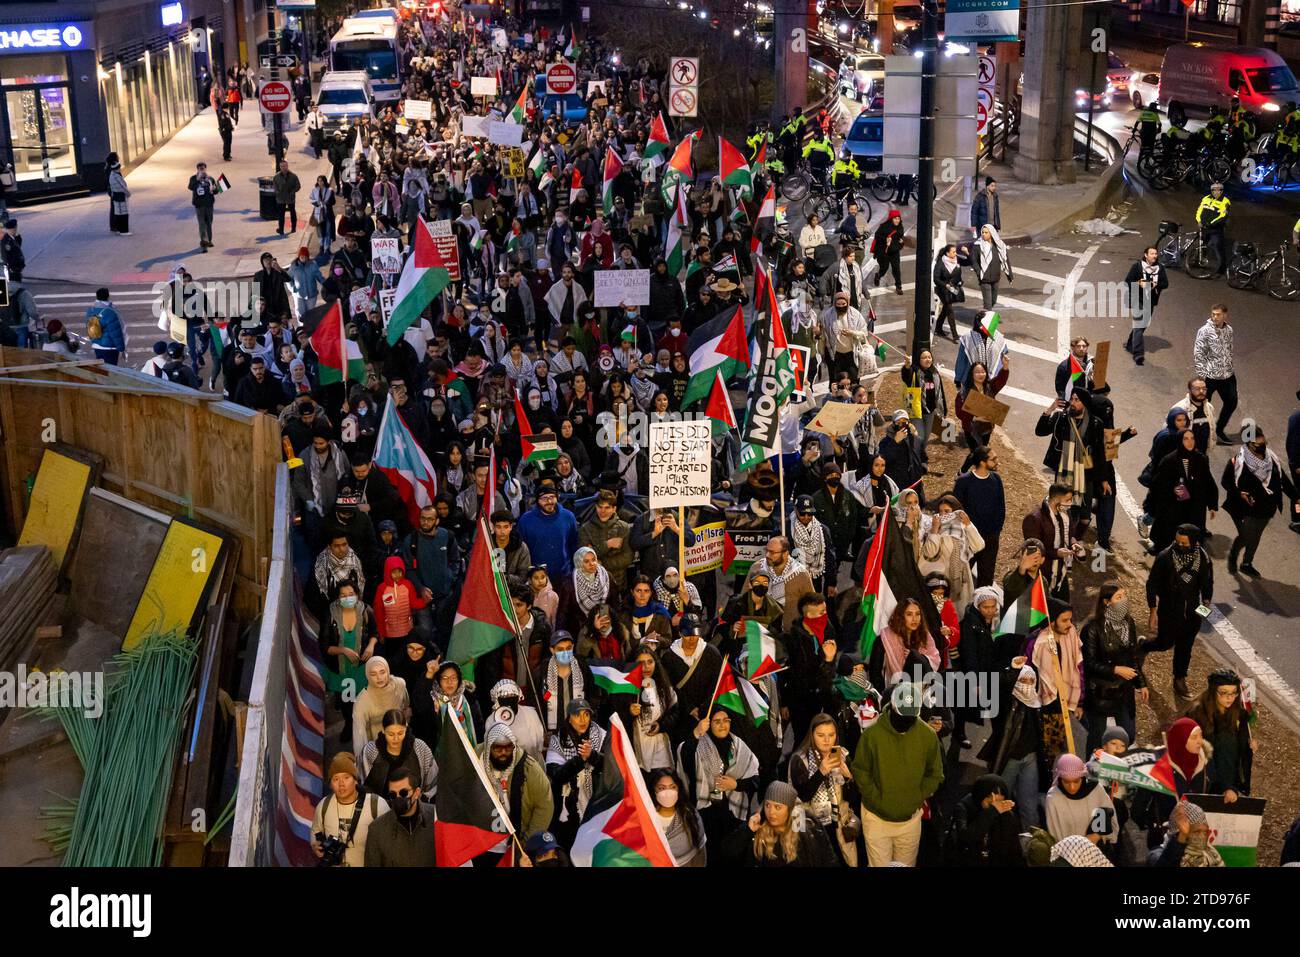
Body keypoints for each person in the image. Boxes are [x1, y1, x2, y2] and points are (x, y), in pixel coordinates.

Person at [851, 681, 944, 867]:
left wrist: (916, 797)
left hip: (910, 821)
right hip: (876, 818)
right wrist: (876, 798)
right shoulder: (872, 735)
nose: (905, 722)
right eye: (902, 716)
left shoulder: (927, 735)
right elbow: (860, 771)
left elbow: (935, 774)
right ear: (892, 707)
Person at [676, 704, 761, 861]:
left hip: (734, 814)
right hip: (708, 814)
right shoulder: (698, 745)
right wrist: (696, 733)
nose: (723, 725)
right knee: (714, 856)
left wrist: (735, 785)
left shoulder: (739, 745)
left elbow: (755, 779)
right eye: (717, 721)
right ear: (708, 724)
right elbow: (686, 759)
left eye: (726, 720)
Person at [1145, 525, 1213, 699]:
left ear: (1194, 542)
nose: (1179, 545)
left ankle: (1179, 679)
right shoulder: (1165, 557)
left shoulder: (1203, 559)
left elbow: (1207, 583)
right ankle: (1143, 646)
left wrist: (1206, 605)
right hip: (1169, 609)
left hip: (1192, 611)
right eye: (1177, 542)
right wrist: (1153, 611)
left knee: (1185, 646)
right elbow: (1151, 584)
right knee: (1165, 643)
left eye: (1184, 543)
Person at [788, 713, 862, 866]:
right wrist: (821, 772)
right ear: (812, 735)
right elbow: (801, 796)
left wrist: (848, 776)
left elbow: (853, 798)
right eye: (821, 735)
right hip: (810, 826)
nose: (827, 740)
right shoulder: (799, 759)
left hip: (838, 826)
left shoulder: (843, 755)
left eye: (831, 735)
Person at [1081, 583, 1147, 751]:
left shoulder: (1128, 623)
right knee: (1098, 739)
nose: (1124, 600)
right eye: (1119, 597)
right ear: (1106, 602)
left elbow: (1133, 656)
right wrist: (1115, 670)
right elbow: (1089, 663)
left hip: (1124, 692)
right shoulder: (1092, 629)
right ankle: (1093, 772)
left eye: (1124, 596)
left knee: (1128, 735)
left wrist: (1141, 683)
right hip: (1100, 694)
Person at [1222, 427, 1295, 577]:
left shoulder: (1271, 458)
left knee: (1255, 537)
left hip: (1267, 509)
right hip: (1247, 509)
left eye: (1263, 443)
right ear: (1248, 445)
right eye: (1258, 445)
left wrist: (1296, 496)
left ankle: (1247, 563)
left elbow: (1283, 481)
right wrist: (1239, 493)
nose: (1262, 448)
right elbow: (1226, 482)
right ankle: (1233, 556)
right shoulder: (1237, 463)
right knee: (1246, 536)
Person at [979, 659, 1043, 829]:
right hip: (1008, 759)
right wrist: (1014, 670)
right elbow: (999, 685)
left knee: (1029, 805)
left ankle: (1031, 845)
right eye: (1023, 680)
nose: (1027, 684)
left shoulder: (1037, 703)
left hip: (1030, 758)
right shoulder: (1006, 703)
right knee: (1001, 803)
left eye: (1031, 680)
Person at [476, 723, 553, 861]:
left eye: (508, 747)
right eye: (497, 748)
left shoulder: (529, 768)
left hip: (514, 846)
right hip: (481, 843)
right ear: (488, 748)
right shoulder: (476, 761)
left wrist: (527, 843)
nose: (503, 753)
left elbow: (545, 805)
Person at [317, 579, 377, 740]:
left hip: (360, 668)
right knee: (346, 701)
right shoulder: (330, 614)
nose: (347, 598)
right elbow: (324, 646)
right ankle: (349, 725)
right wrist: (343, 650)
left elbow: (374, 634)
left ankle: (362, 724)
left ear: (357, 595)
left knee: (362, 698)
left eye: (351, 594)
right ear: (337, 598)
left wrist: (371, 646)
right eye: (343, 595)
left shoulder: (366, 611)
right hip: (341, 669)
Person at [725, 780, 837, 867]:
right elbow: (727, 852)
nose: (771, 812)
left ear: (789, 809)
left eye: (777, 807)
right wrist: (747, 831)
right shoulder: (758, 825)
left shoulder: (803, 825)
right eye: (767, 805)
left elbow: (828, 858)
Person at [545, 698, 606, 849]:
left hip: (596, 804)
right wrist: (580, 760)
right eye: (577, 715)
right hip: (568, 809)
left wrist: (592, 756)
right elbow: (556, 775)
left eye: (586, 714)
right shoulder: (557, 740)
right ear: (569, 717)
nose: (583, 720)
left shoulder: (602, 736)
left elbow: (611, 766)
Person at [1186, 669, 1254, 802]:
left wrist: (1246, 744)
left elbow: (1235, 752)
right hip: (1207, 779)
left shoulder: (1238, 713)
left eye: (1234, 693)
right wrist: (1227, 787)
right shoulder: (1197, 715)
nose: (1230, 698)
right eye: (1224, 693)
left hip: (1229, 778)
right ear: (1213, 692)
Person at [1145, 428, 1217, 552]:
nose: (1190, 442)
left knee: (1191, 540)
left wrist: (1212, 504)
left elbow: (1208, 482)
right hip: (1174, 507)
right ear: (1179, 441)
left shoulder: (1201, 459)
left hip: (1194, 508)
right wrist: (1172, 490)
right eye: (1185, 439)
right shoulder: (1169, 460)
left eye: (1192, 438)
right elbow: (1157, 484)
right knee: (1169, 537)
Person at [311, 752, 387, 868]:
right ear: (330, 784)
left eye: (346, 777)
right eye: (336, 779)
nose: (341, 784)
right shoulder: (323, 806)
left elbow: (392, 841)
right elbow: (315, 830)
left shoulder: (376, 805)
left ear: (355, 780)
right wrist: (314, 845)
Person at [945, 773, 1025, 866]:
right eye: (990, 803)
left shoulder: (1004, 812)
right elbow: (965, 837)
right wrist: (990, 812)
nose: (996, 806)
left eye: (999, 802)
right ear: (980, 796)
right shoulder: (964, 808)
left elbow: (1013, 851)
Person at [364, 768, 437, 867]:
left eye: (403, 793)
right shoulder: (377, 829)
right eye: (393, 795)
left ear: (416, 793)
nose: (398, 798)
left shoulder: (437, 819)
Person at [954, 446, 1004, 587]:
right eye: (993, 459)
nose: (997, 461)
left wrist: (996, 530)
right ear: (982, 462)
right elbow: (957, 509)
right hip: (968, 537)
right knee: (963, 576)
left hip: (990, 537)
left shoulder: (996, 479)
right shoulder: (964, 482)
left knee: (987, 576)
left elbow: (1001, 506)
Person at [1045, 753, 1117, 852]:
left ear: (1082, 777)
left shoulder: (1095, 790)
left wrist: (1096, 835)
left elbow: (1108, 816)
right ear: (1060, 779)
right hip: (1070, 856)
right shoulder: (1053, 798)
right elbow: (1055, 836)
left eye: (1076, 781)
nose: (1072, 787)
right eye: (1066, 782)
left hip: (1098, 852)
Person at [361, 709, 437, 798]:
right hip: (381, 807)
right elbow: (364, 783)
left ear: (406, 727)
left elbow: (434, 781)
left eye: (400, 733)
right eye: (391, 734)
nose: (396, 739)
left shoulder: (420, 748)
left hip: (414, 804)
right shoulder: (371, 751)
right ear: (383, 730)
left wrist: (424, 798)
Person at [350, 656, 409, 764]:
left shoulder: (399, 685)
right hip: (377, 747)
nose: (379, 677)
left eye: (382, 672)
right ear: (367, 676)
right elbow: (359, 736)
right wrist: (363, 764)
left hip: (400, 739)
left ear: (388, 671)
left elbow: (406, 706)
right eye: (373, 674)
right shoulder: (362, 702)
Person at [1192, 303, 1237, 444]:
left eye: (1218, 314)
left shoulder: (1229, 330)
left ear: (1225, 315)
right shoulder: (1204, 331)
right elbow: (1199, 352)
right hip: (1210, 377)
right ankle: (1199, 434)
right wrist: (1201, 374)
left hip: (1227, 375)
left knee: (1232, 402)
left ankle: (1218, 431)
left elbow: (1229, 349)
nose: (1215, 317)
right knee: (1202, 407)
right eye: (1213, 314)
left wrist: (1228, 365)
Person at [649, 768, 707, 866]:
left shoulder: (690, 815)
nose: (667, 793)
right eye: (661, 788)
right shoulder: (648, 819)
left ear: (678, 789)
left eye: (672, 787)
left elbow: (701, 851)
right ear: (653, 790)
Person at [1123, 245, 1167, 365]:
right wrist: (1138, 283)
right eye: (1152, 253)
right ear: (1146, 255)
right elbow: (1127, 281)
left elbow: (1165, 283)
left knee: (1143, 325)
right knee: (1139, 324)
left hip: (1151, 300)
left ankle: (1129, 344)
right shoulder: (1137, 267)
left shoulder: (1160, 268)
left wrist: (1155, 285)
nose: (1154, 256)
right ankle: (1138, 354)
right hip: (1138, 299)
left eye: (1156, 254)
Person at [1194, 182, 1230, 277]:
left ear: (1222, 191)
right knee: (1202, 245)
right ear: (1211, 191)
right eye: (1214, 190)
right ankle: (1200, 261)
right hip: (1204, 228)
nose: (1217, 192)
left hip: (1216, 229)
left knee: (1218, 247)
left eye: (1219, 190)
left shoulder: (1225, 201)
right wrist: (1199, 220)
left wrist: (1211, 223)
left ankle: (1221, 269)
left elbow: (1223, 216)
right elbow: (1199, 210)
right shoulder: (1206, 198)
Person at [975, 224, 1012, 309]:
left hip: (995, 278)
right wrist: (979, 272)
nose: (983, 234)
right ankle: (986, 319)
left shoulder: (999, 246)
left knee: (993, 301)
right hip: (984, 279)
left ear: (991, 233)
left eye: (986, 232)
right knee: (988, 304)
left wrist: (1009, 275)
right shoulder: (978, 245)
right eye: (982, 232)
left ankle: (985, 315)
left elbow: (1005, 260)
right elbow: (974, 261)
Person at [86, 288, 126, 366]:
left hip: (96, 346)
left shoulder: (90, 310)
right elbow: (116, 333)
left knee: (102, 370)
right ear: (108, 296)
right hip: (109, 348)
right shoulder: (110, 312)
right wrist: (121, 348)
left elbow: (89, 327)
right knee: (111, 371)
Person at [932, 244, 963, 341]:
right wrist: (945, 285)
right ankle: (955, 335)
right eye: (953, 252)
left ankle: (938, 327)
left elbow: (958, 275)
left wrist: (960, 282)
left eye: (955, 251)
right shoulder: (940, 264)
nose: (955, 253)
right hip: (942, 289)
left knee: (946, 308)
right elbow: (936, 279)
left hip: (952, 289)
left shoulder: (957, 262)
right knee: (950, 310)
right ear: (947, 253)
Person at [871, 208, 905, 294]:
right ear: (891, 219)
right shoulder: (884, 227)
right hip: (884, 253)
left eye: (898, 218)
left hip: (894, 252)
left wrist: (901, 244)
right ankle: (878, 275)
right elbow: (877, 236)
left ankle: (898, 286)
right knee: (884, 268)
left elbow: (900, 240)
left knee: (896, 269)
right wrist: (885, 239)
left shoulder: (900, 228)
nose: (897, 220)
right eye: (895, 218)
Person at [188, 162, 217, 251]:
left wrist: (214, 190)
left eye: (203, 168)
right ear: (197, 169)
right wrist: (197, 179)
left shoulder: (210, 179)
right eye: (200, 168)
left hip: (209, 204)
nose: (202, 170)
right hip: (199, 205)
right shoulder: (193, 178)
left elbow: (216, 190)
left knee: (209, 223)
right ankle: (204, 243)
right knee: (202, 224)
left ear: (205, 169)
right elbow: (190, 187)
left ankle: (209, 240)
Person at [106, 153, 130, 235]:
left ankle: (114, 225)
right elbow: (120, 183)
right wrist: (127, 192)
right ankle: (115, 225)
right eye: (117, 156)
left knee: (114, 207)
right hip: (115, 190)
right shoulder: (113, 169)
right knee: (116, 208)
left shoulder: (109, 167)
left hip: (112, 190)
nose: (119, 157)